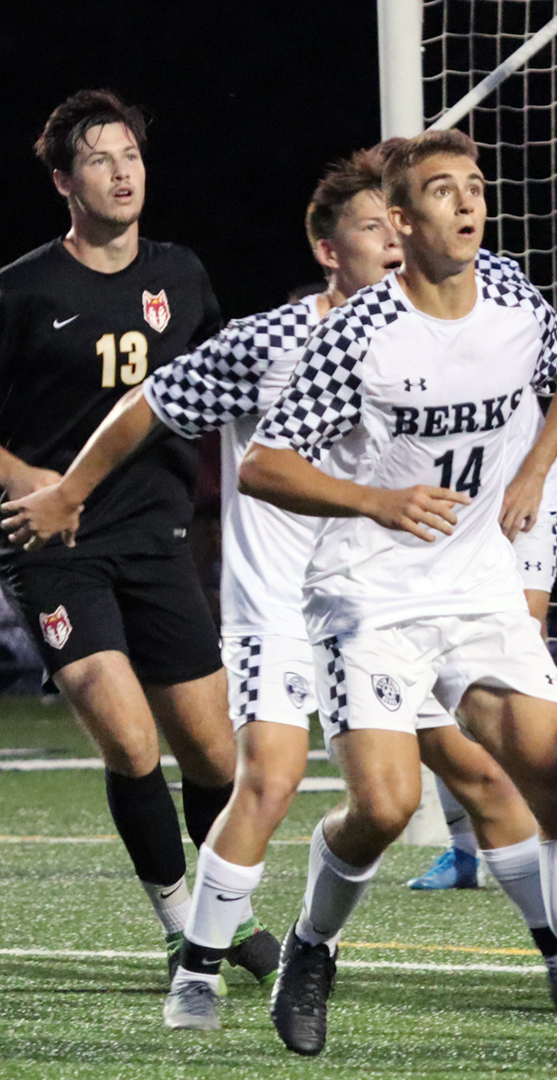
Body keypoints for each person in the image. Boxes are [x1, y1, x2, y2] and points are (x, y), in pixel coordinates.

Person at [3, 143, 557, 1032]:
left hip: (427, 596)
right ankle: (204, 969)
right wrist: (68, 490)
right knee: (291, 785)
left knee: (500, 778)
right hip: (305, 602)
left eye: (398, 223)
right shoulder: (283, 338)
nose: (391, 241)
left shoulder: (472, 306)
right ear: (328, 248)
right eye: (374, 226)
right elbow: (161, 410)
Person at [237, 129, 557, 1065]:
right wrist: (377, 499)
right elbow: (262, 466)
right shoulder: (357, 335)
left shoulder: (507, 290)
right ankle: (312, 944)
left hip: (478, 590)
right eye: (442, 191)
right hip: (368, 596)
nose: (467, 203)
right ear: (401, 225)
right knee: (381, 806)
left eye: (475, 187)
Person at [0, 89, 242, 981]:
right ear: (65, 181)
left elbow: (224, 383)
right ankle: (182, 925)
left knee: (215, 754)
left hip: (158, 538)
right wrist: (25, 476)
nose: (122, 170)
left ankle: (229, 910)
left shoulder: (181, 276)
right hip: (56, 549)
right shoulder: (22, 291)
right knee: (131, 742)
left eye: (131, 154)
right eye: (99, 159)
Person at [408, 389, 557, 891]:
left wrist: (534, 473)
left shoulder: (512, 309)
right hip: (446, 488)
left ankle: (546, 828)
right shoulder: (393, 318)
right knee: (439, 649)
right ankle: (463, 847)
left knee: (518, 643)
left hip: (524, 482)